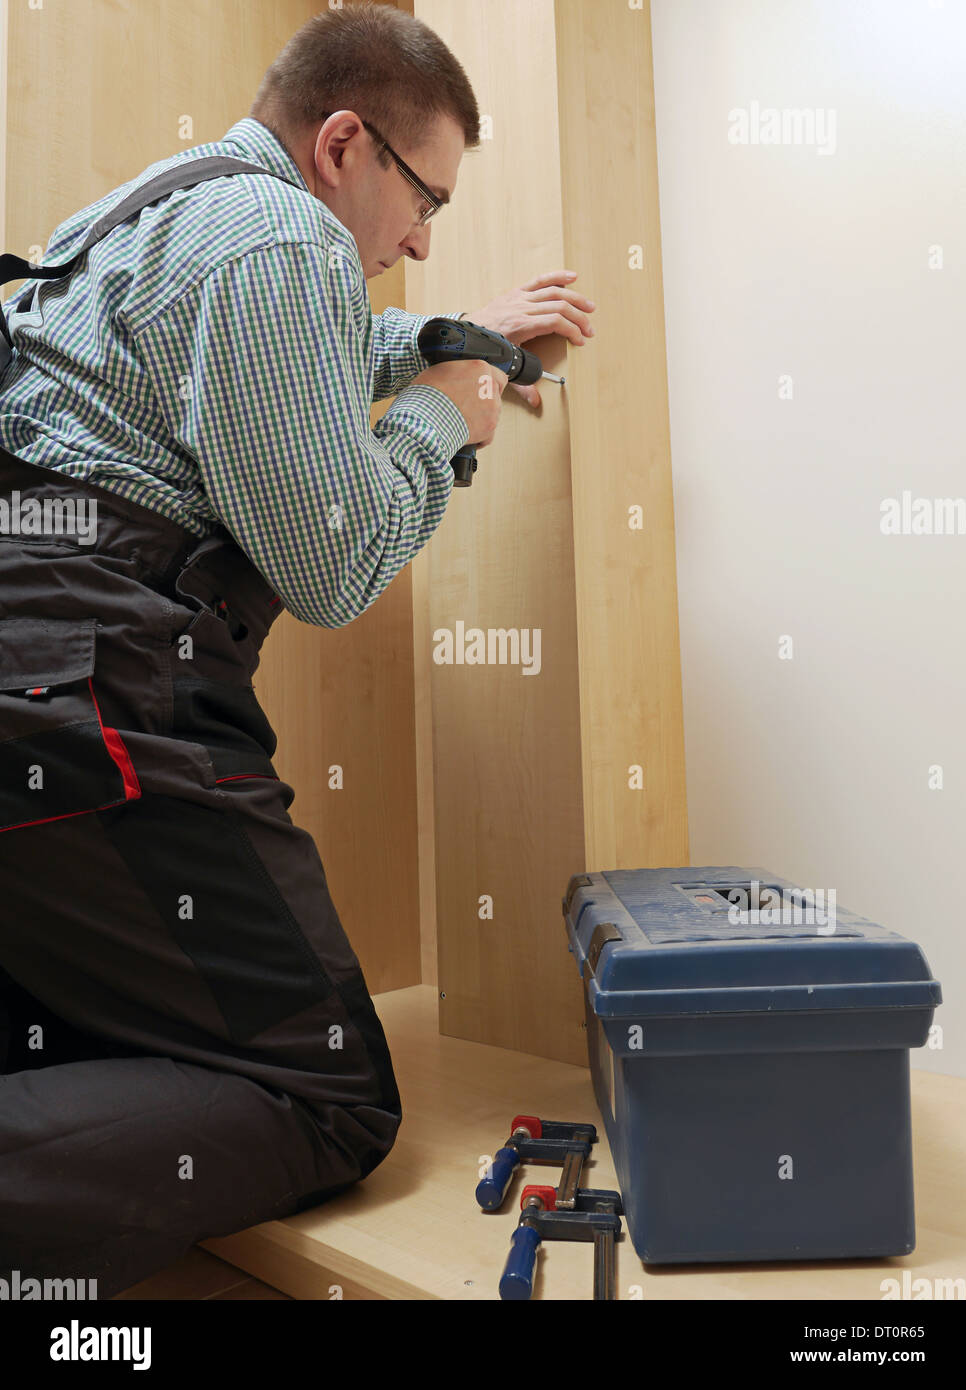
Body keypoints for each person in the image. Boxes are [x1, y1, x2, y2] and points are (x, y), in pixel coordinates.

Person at [0, 2, 594, 1299]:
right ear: (344, 144)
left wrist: (452, 339)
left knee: (65, 1024)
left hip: (30, 667)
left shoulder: (154, 205)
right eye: (425, 193)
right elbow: (331, 564)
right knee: (324, 1082)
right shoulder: (278, 237)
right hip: (91, 681)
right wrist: (444, 424)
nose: (425, 237)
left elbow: (282, 353)